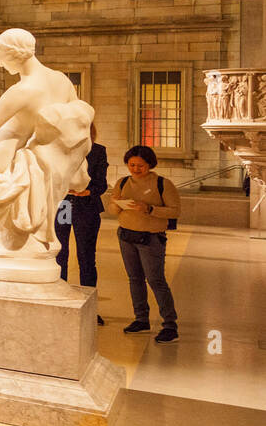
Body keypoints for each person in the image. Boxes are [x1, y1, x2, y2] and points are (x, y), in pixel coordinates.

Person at [105, 145, 181, 343]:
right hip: (126, 236)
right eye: (131, 165)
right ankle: (141, 318)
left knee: (156, 280)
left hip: (151, 239)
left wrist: (149, 208)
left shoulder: (163, 183)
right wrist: (116, 203)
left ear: (150, 164)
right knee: (134, 278)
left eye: (140, 165)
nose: (135, 169)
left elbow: (174, 211)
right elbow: (113, 211)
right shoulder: (122, 183)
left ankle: (170, 324)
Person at [55, 123, 108, 326]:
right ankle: (60, 300)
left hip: (86, 207)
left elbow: (101, 184)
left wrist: (87, 191)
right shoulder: (62, 151)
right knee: (61, 253)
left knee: (86, 256)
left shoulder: (98, 151)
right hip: (65, 206)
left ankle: (90, 307)